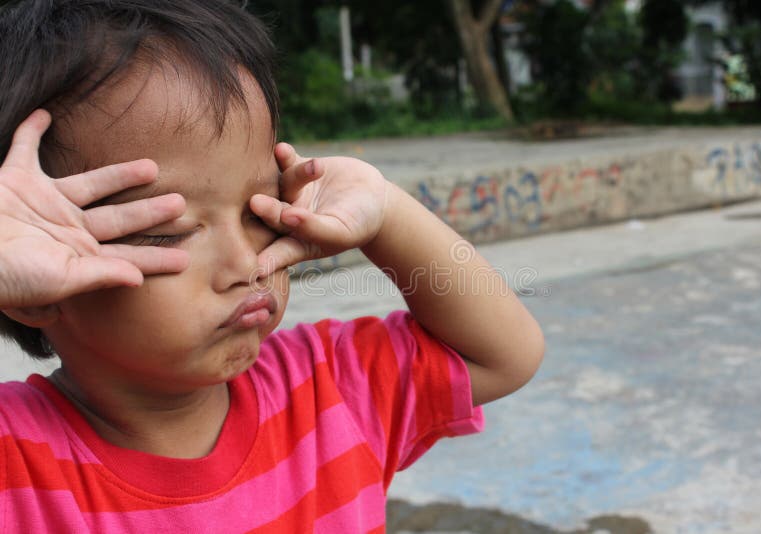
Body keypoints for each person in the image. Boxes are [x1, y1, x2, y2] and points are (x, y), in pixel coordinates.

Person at [0, 1, 545, 532]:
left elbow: (505, 355)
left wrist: (386, 212)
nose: (245, 263)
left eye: (260, 212)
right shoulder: (17, 466)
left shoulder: (330, 391)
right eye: (171, 231)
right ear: (35, 283)